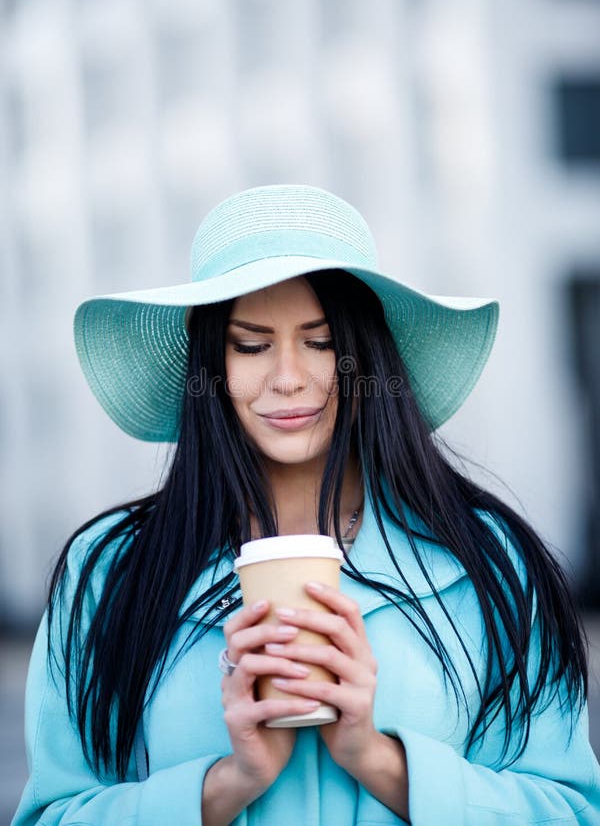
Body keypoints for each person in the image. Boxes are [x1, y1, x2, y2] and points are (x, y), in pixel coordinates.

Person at [12, 184, 600, 826]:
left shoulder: (490, 564)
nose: (288, 377)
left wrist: (378, 760)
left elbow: (569, 810)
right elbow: (52, 813)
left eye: (320, 343)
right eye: (250, 344)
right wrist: (226, 785)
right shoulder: (107, 573)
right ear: (212, 364)